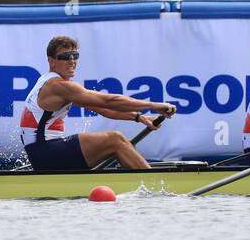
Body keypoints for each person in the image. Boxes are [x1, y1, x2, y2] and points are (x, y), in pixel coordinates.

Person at [20, 35, 175, 170]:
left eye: (75, 55)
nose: (72, 61)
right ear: (52, 61)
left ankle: (140, 177)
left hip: (43, 153)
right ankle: (154, 187)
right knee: (115, 140)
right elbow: (108, 101)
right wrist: (154, 105)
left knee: (119, 143)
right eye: (66, 57)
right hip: (46, 153)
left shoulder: (54, 84)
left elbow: (103, 109)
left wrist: (139, 117)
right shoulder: (58, 86)